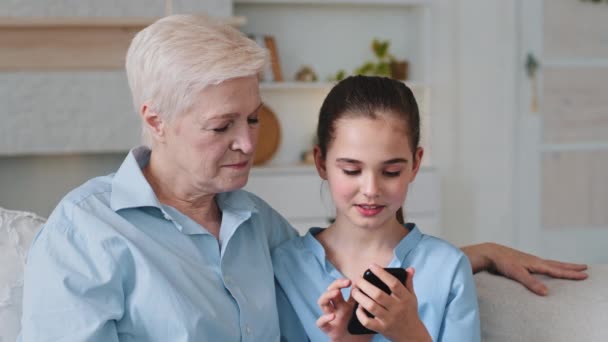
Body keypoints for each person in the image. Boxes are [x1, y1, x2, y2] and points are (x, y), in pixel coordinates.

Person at [18, 14, 587, 341]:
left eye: (254, 117)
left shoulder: (254, 221)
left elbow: (348, 260)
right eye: (223, 126)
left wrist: (471, 255)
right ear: (155, 120)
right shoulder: (84, 233)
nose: (248, 143)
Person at [272, 76, 479, 341]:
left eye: (391, 172)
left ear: (415, 165)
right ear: (321, 162)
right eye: (351, 170)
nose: (371, 189)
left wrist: (411, 333)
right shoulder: (284, 269)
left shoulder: (448, 269)